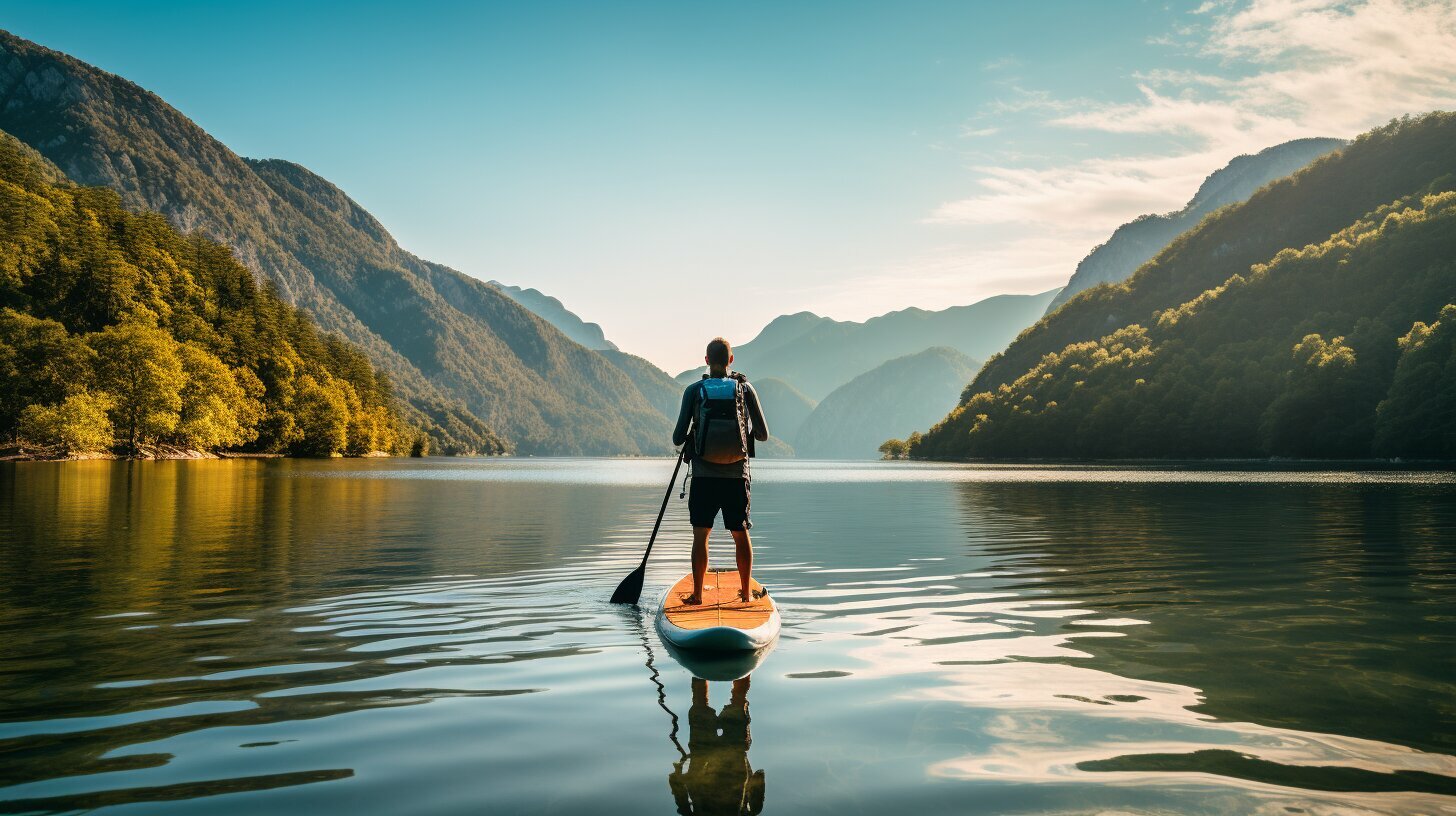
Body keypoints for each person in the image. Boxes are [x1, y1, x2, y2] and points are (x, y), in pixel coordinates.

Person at [671, 337, 769, 606]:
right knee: (740, 533)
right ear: (731, 360)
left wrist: (693, 436)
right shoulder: (744, 388)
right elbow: (763, 435)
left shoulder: (694, 390)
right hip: (736, 476)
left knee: (701, 534)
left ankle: (698, 595)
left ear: (706, 360)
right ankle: (746, 594)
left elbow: (677, 438)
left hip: (703, 476)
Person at [667, 676, 765, 816]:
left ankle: (737, 663)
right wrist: (676, 777)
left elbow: (760, 776)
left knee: (739, 697)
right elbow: (678, 792)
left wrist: (758, 780)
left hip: (733, 754)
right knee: (700, 700)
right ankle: (700, 664)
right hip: (704, 753)